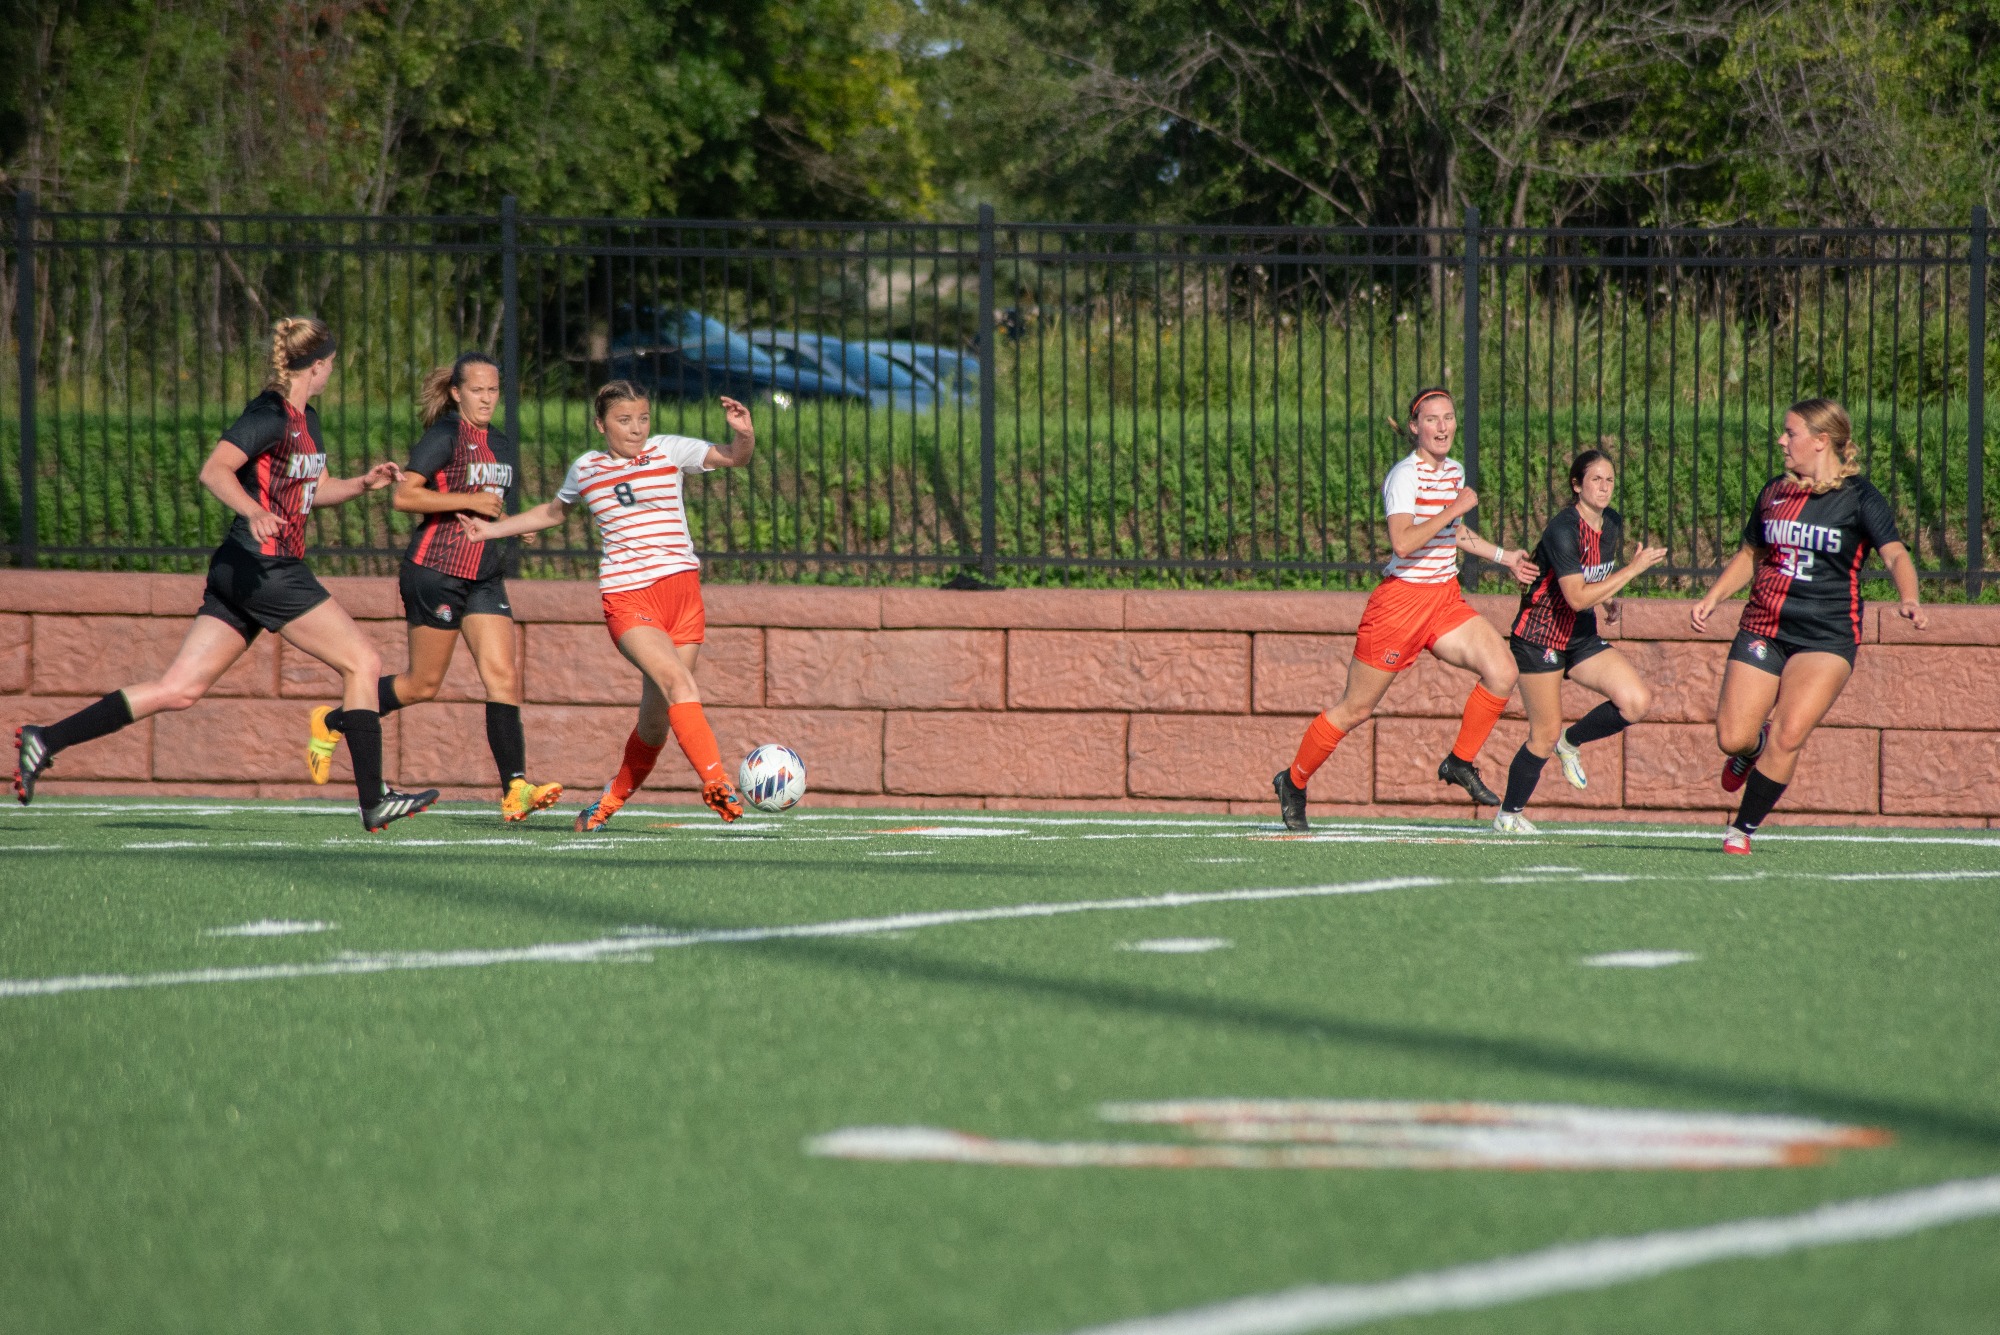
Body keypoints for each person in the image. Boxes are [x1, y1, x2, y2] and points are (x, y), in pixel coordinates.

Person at [13, 317, 437, 830]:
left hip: (247, 568)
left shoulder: (308, 420)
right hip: (266, 565)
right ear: (319, 365)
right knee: (363, 663)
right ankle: (374, 799)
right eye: (331, 365)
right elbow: (214, 470)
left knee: (179, 689)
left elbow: (313, 489)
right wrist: (252, 510)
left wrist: (360, 484)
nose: (331, 373)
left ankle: (46, 739)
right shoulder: (269, 414)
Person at [460, 381, 753, 828]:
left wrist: (743, 434)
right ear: (600, 424)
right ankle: (717, 781)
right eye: (623, 420)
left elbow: (734, 457)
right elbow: (553, 513)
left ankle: (606, 804)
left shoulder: (669, 450)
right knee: (679, 683)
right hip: (630, 598)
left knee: (656, 724)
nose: (636, 429)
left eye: (642, 418)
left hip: (684, 597)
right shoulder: (587, 468)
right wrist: (490, 531)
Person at [305, 351, 562, 822]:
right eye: (477, 390)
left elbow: (486, 506)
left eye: (492, 390)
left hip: (484, 574)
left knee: (503, 676)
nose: (486, 398)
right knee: (422, 684)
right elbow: (406, 495)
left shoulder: (501, 444)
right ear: (456, 393)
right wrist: (474, 501)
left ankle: (516, 789)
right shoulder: (444, 435)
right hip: (437, 569)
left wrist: (510, 522)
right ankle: (335, 719)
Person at [1274, 387, 1537, 831]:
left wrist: (1503, 556)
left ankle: (1459, 761)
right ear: (1415, 427)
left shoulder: (1454, 470)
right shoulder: (1404, 476)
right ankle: (1294, 782)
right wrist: (1454, 508)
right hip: (1398, 605)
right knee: (1355, 709)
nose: (1442, 427)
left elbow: (1451, 534)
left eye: (1449, 418)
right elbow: (1403, 541)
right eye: (1432, 420)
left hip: (1443, 600)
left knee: (1503, 671)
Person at [1691, 398, 1928, 854]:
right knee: (1732, 737)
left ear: (1821, 441)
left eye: (1790, 432)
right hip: (1764, 625)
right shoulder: (1775, 493)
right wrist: (1713, 597)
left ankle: (1742, 829)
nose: (1781, 440)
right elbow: (1750, 555)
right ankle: (1750, 748)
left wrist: (1910, 597)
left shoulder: (1860, 498)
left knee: (1791, 731)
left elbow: (1895, 554)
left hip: (1826, 635)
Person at [1491, 450, 1669, 833]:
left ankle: (1571, 743)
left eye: (1609, 480)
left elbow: (1591, 579)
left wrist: (1608, 599)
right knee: (1542, 734)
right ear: (1577, 485)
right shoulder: (1562, 530)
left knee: (1636, 702)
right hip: (1540, 636)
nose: (1604, 487)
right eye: (1595, 480)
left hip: (1580, 635)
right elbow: (1574, 596)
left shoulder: (1613, 522)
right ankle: (1509, 814)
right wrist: (1633, 570)